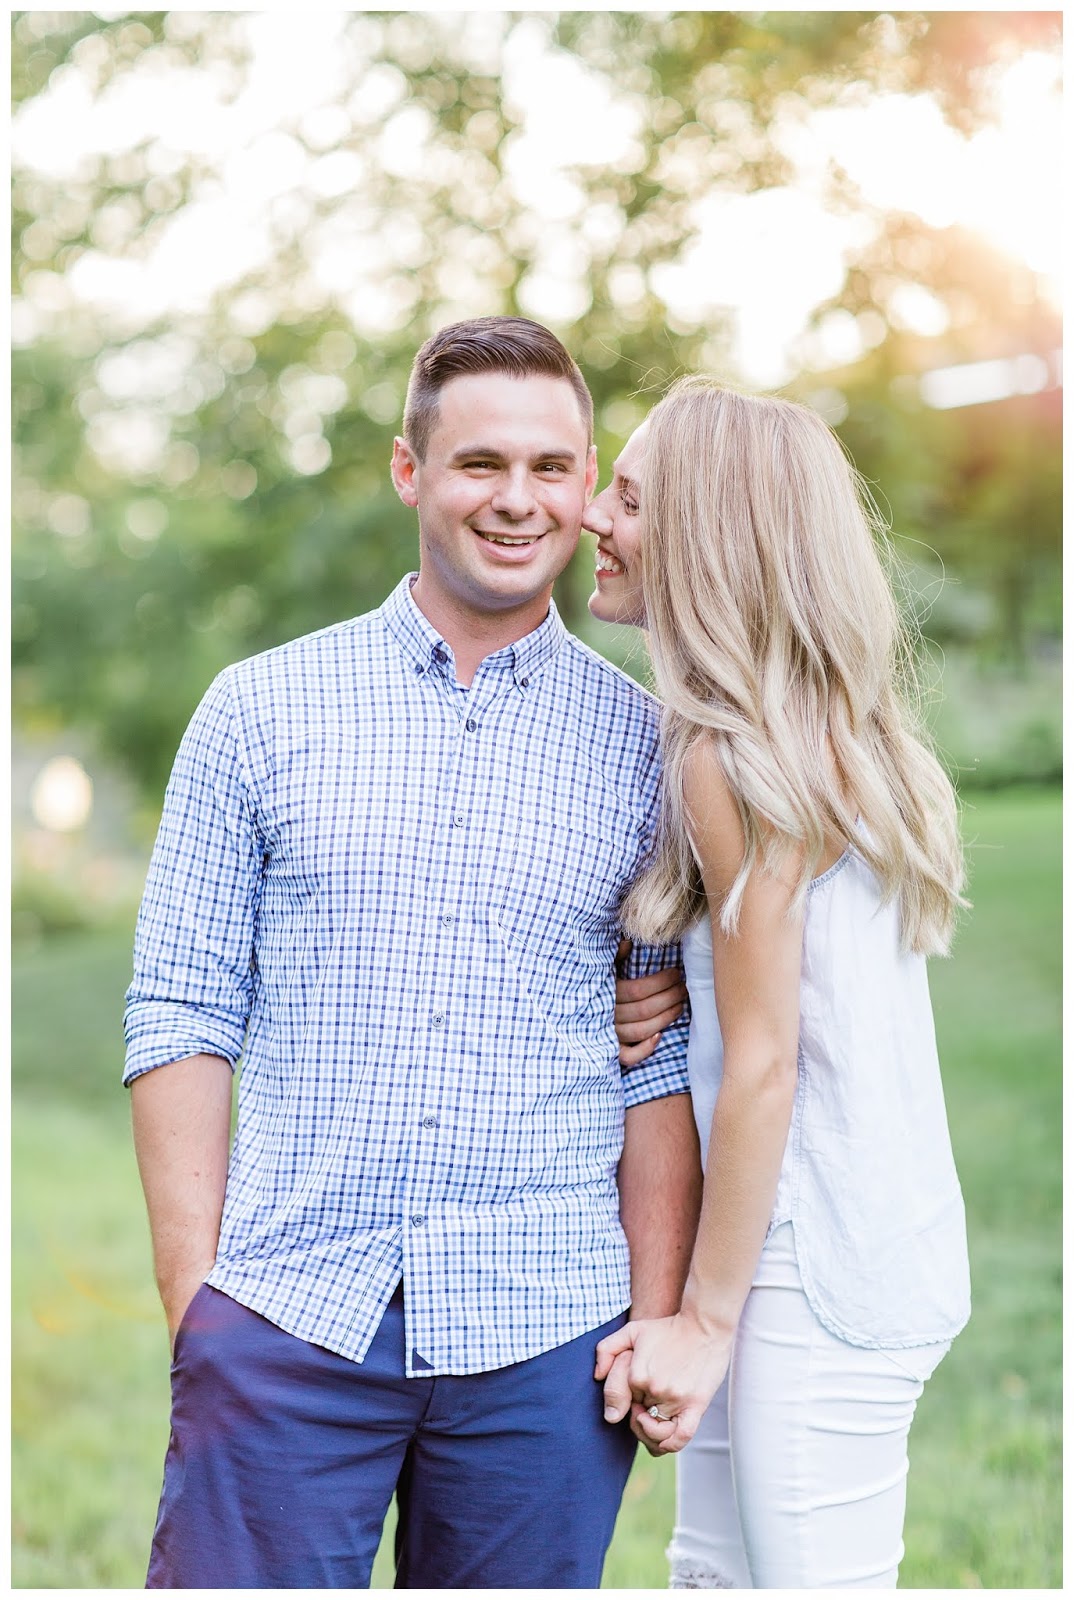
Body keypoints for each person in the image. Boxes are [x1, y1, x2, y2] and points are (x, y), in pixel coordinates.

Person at [123, 316, 701, 1590]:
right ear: (409, 472)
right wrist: (197, 1305)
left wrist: (653, 1312)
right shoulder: (259, 709)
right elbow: (180, 1007)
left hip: (548, 1333)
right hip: (286, 1315)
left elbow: (659, 1062)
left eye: (554, 468)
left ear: (588, 481)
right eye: (479, 462)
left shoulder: (654, 749)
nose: (518, 499)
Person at [588, 379, 972, 1588]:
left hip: (808, 1252)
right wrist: (681, 995)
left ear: (707, 534)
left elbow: (770, 1061)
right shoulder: (807, 735)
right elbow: (793, 1002)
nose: (595, 515)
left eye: (631, 495)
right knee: (716, 1573)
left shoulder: (727, 756)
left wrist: (701, 1322)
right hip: (828, 1235)